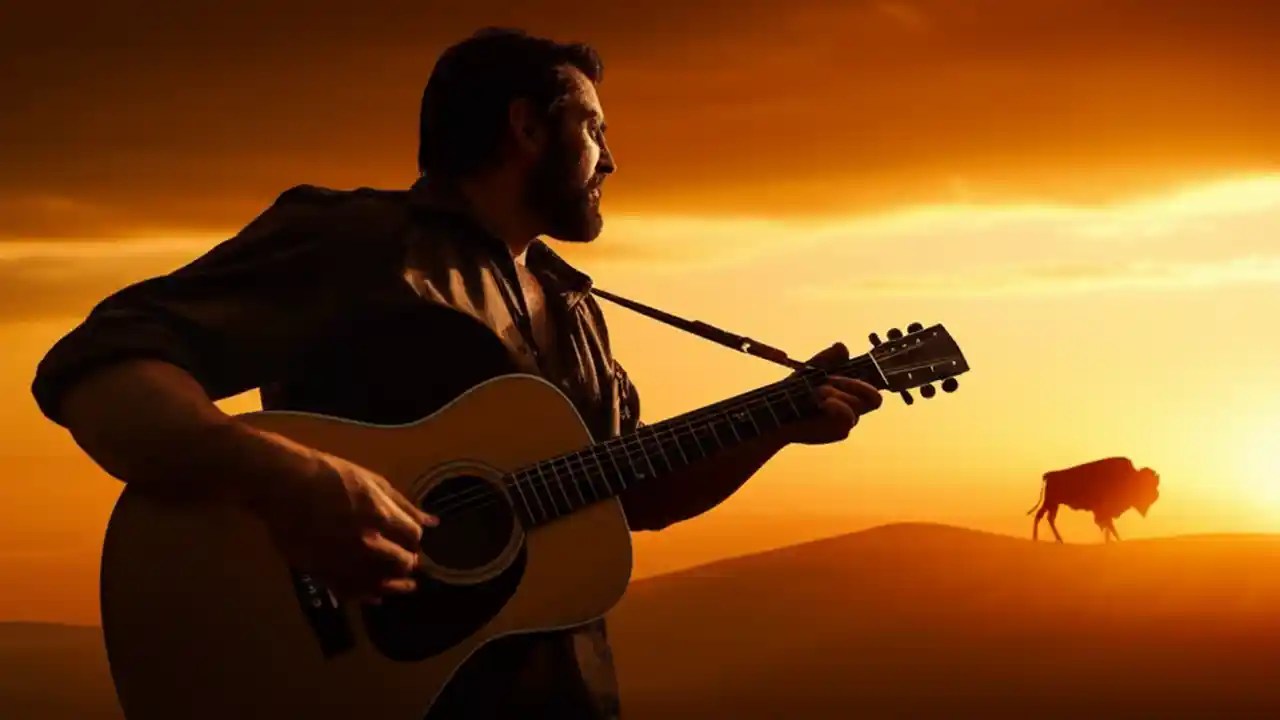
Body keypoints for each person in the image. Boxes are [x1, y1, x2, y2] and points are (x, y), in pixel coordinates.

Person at [30, 27, 882, 719]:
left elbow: (631, 493)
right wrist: (284, 479)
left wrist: (779, 420)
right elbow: (98, 367)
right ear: (526, 126)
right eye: (596, 130)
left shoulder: (573, 306)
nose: (611, 161)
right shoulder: (362, 245)